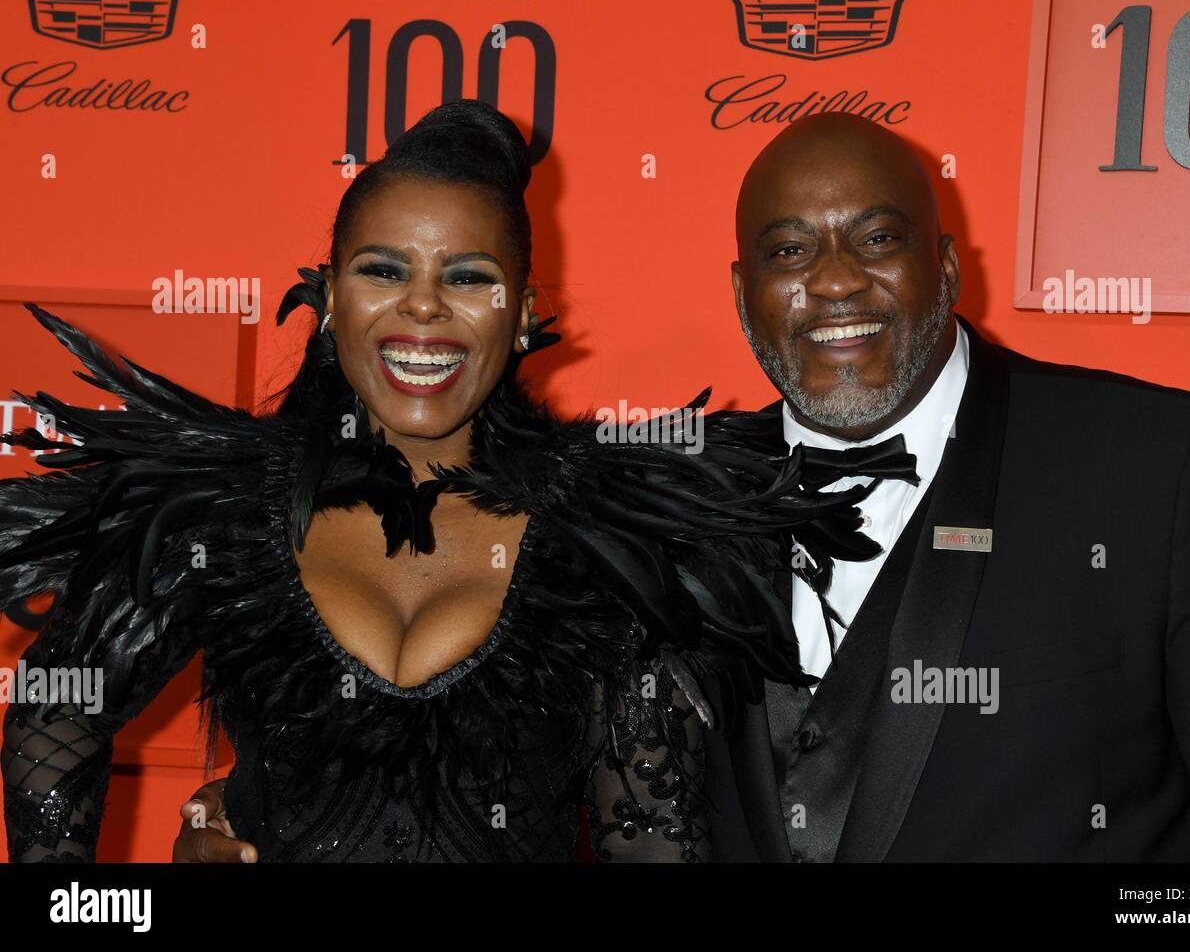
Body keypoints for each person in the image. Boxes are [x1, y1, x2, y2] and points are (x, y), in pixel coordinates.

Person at [0, 100, 873, 862]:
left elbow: (652, 838)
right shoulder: (221, 504)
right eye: (384, 270)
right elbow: (54, 705)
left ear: (523, 312)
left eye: (468, 277)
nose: (423, 307)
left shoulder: (612, 534)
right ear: (331, 296)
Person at [699, 112, 1190, 861]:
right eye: (789, 250)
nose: (836, 279)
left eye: (879, 239)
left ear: (947, 267)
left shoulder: (1164, 467)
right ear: (741, 291)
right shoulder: (677, 502)